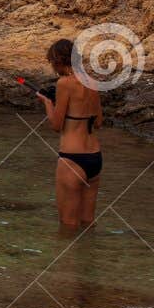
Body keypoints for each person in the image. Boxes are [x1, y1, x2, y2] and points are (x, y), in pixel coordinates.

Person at [36, 38, 103, 229]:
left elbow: (57, 125)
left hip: (72, 159)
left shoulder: (64, 83)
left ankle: (69, 260)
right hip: (95, 158)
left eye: (52, 63)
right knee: (88, 222)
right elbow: (98, 122)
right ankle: (89, 257)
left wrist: (48, 104)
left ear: (58, 61)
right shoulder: (93, 81)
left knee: (68, 225)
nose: (53, 68)